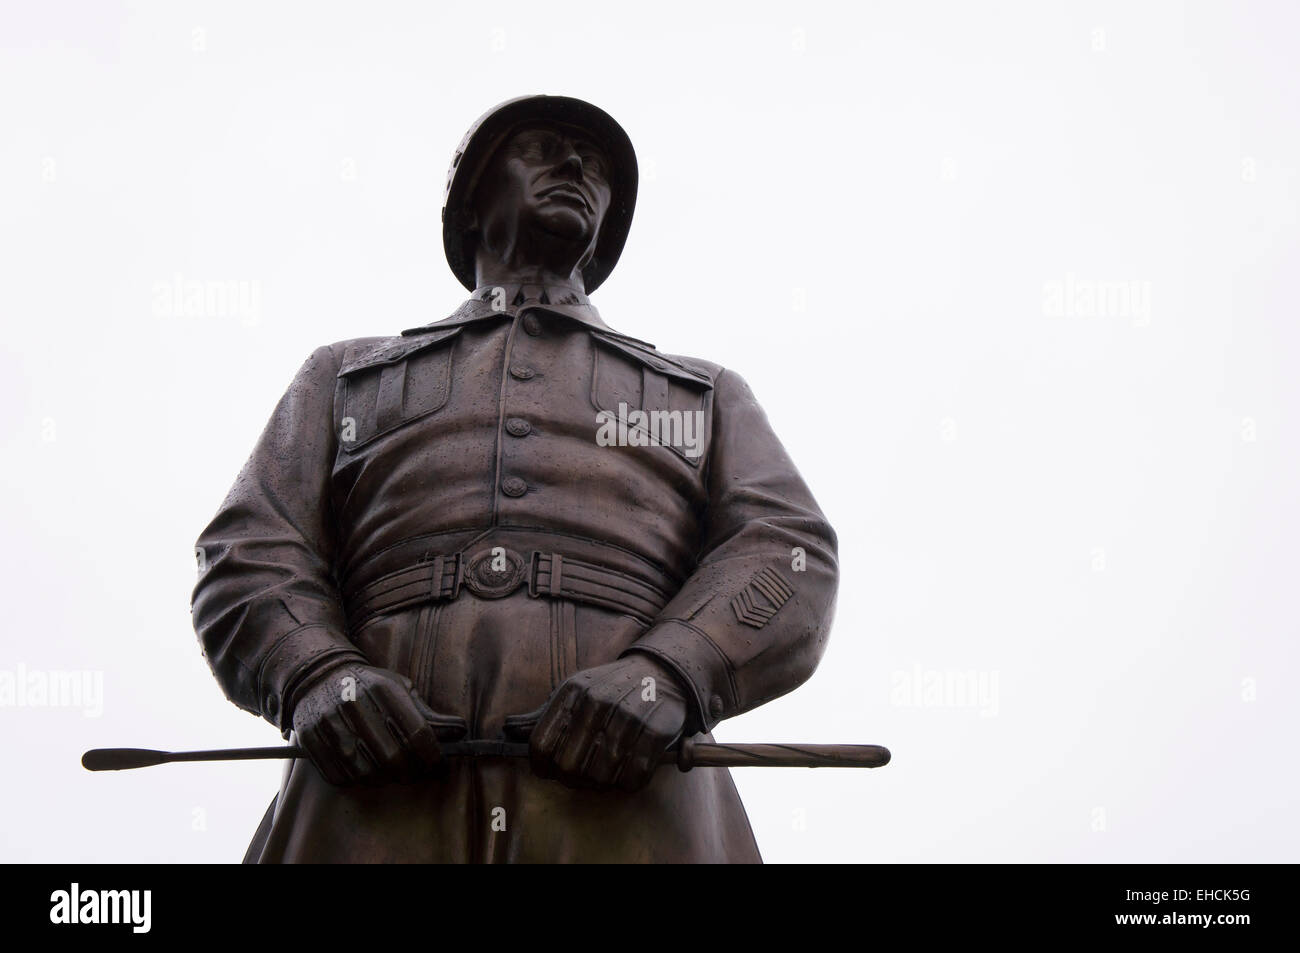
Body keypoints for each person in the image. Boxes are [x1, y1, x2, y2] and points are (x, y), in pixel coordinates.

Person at [191, 95, 839, 862]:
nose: (575, 168)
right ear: (471, 204)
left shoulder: (701, 391)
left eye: (595, 165)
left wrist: (670, 671)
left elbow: (786, 550)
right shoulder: (344, 377)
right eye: (540, 147)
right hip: (369, 788)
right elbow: (251, 548)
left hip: (632, 791)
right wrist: (318, 673)